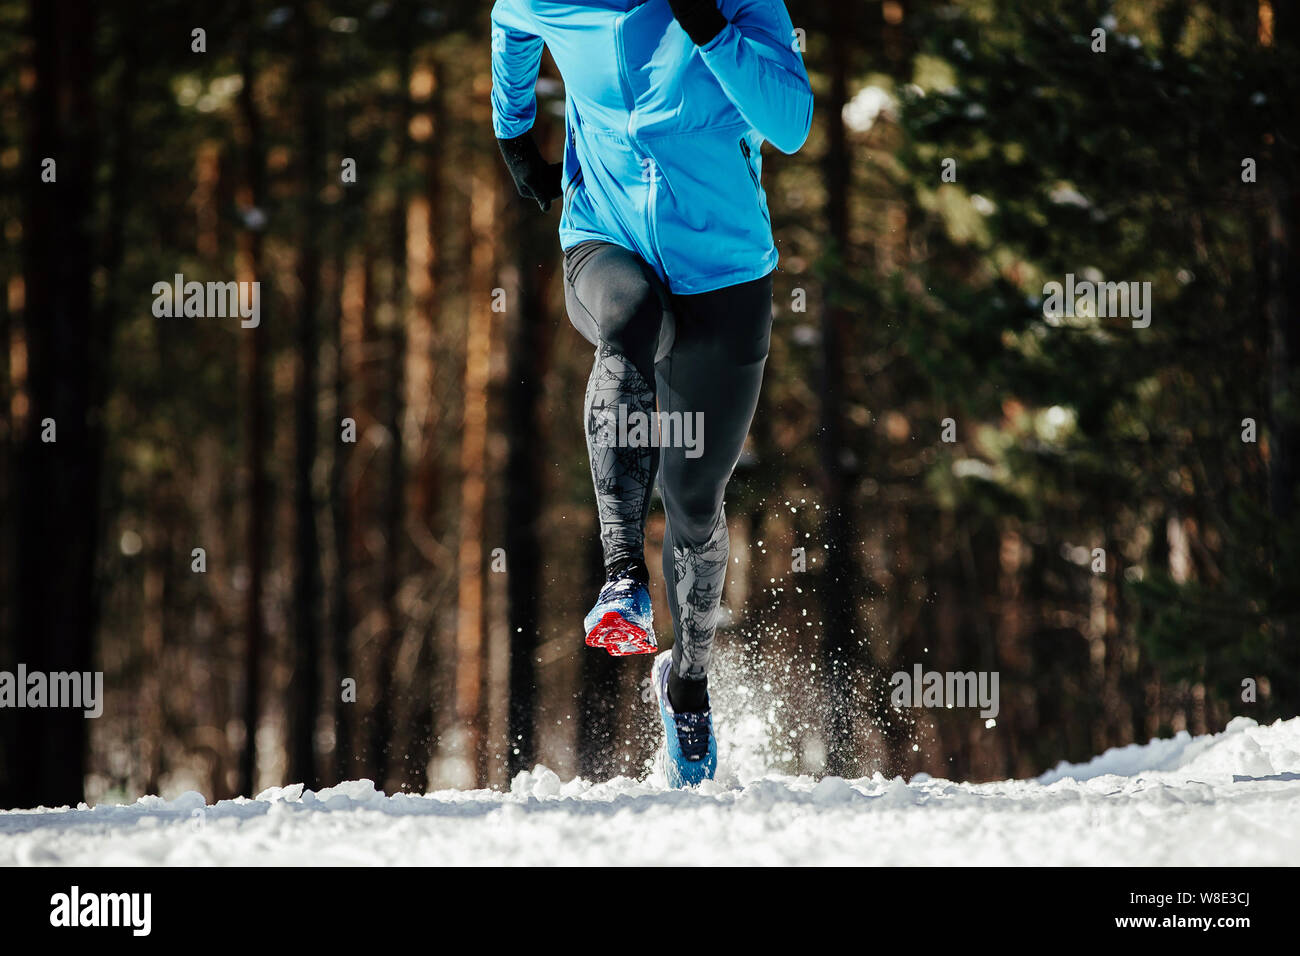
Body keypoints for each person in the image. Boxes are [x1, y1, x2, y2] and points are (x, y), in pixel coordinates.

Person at [490, 0, 812, 786]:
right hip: (605, 240)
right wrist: (513, 126)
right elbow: (509, 17)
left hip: (724, 268)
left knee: (695, 498)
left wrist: (707, 25)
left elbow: (791, 121)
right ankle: (623, 579)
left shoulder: (743, 3)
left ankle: (689, 683)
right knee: (627, 318)